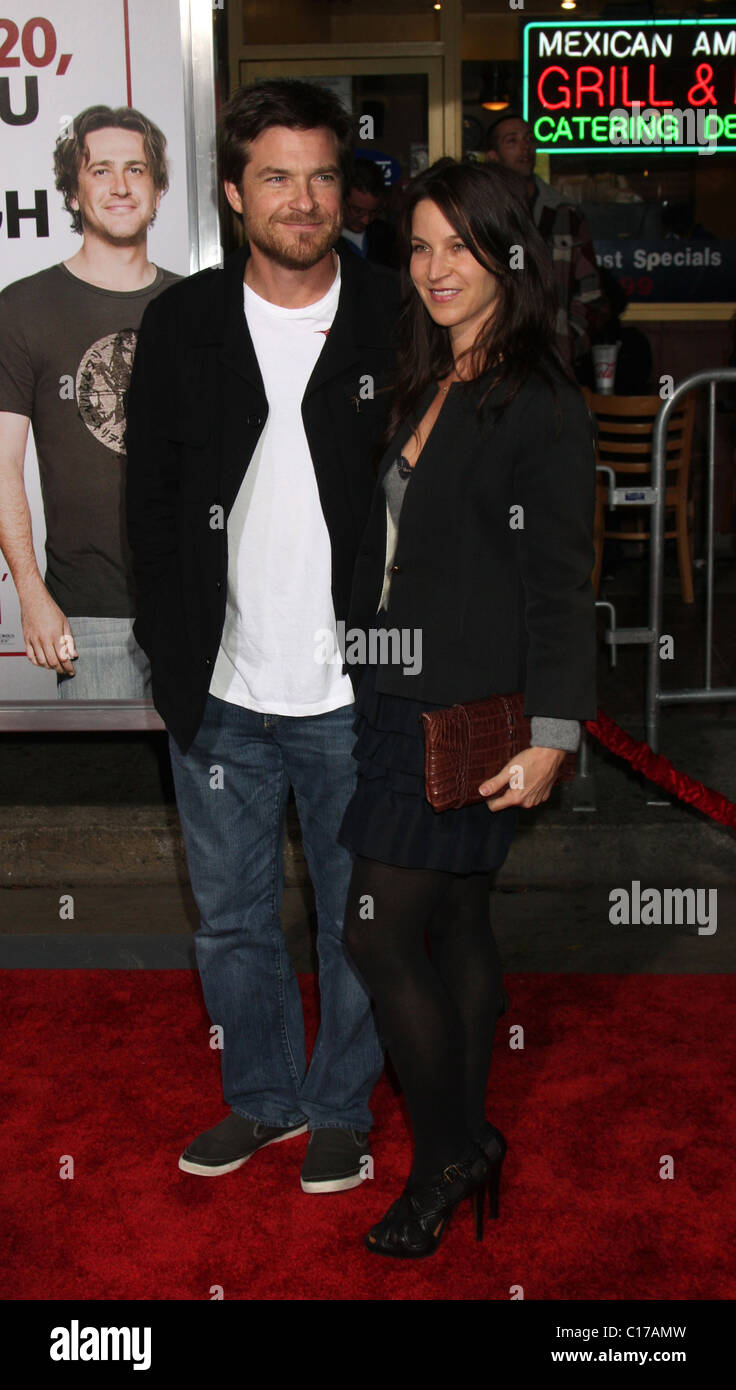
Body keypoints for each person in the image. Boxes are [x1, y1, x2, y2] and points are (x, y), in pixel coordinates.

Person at [125, 80, 399, 1192]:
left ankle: (340, 1105)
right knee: (231, 924)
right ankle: (264, 1099)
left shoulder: (397, 311)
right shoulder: (184, 320)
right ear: (235, 193)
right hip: (222, 692)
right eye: (276, 177)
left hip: (356, 691)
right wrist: (165, 648)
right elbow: (151, 501)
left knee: (356, 921)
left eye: (323, 174)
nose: (303, 198)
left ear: (345, 188)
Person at [338, 157, 597, 1256]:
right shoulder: (420, 372)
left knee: (374, 929)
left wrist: (553, 735)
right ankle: (467, 1144)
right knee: (453, 921)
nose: (438, 268)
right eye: (421, 246)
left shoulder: (536, 396)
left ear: (508, 255)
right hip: (396, 689)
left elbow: (560, 582)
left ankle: (446, 1151)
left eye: (462, 246)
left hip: (473, 713)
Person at [0, 105, 178, 698]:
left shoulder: (198, 308)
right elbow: (2, 465)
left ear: (157, 191)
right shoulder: (24, 308)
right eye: (100, 171)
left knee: (205, 790)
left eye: (136, 170)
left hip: (198, 606)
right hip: (89, 615)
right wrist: (31, 594)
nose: (121, 186)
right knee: (108, 789)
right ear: (73, 194)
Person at [485, 111, 603, 372]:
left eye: (529, 139)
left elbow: (591, 290)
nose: (525, 147)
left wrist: (570, 340)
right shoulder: (482, 214)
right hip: (494, 358)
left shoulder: (564, 212)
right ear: (492, 155)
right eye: (512, 141)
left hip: (555, 361)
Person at [337, 158, 399, 267]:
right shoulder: (327, 241)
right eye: (357, 210)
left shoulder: (388, 237)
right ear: (341, 199)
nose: (365, 220)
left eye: (373, 212)